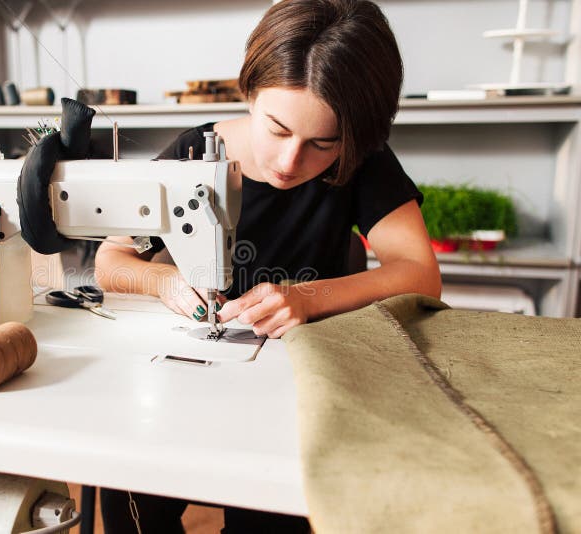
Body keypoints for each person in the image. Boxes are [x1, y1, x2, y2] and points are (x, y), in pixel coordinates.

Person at [94, 0, 441, 531]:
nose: (288, 162)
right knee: (132, 491)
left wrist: (308, 298)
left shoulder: (363, 163)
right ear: (250, 92)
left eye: (322, 144)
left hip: (292, 390)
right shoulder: (193, 155)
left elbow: (419, 271)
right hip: (184, 387)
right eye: (277, 129)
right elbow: (111, 260)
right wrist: (164, 279)